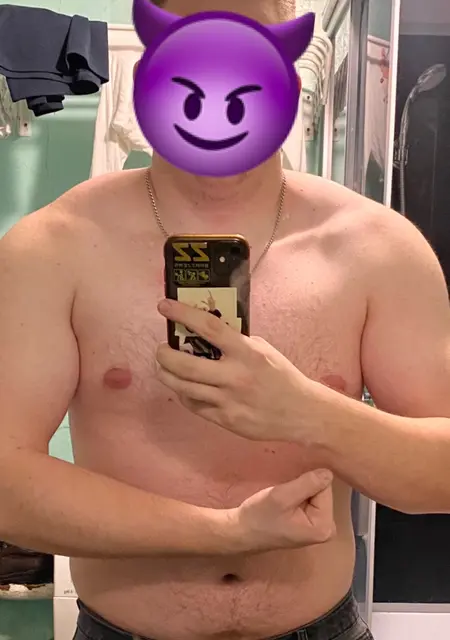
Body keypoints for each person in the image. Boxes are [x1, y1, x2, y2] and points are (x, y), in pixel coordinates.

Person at [0, 0, 448, 639]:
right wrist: (227, 533)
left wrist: (308, 414)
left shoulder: (375, 247)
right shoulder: (55, 247)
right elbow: (7, 482)